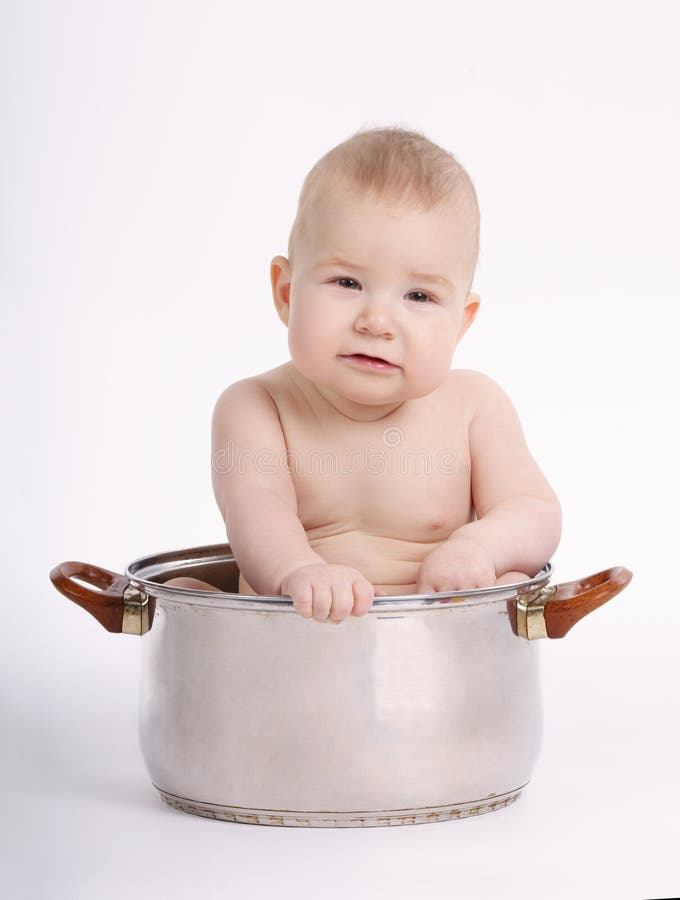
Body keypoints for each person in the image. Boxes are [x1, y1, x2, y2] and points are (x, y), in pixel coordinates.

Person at [167, 126, 562, 624]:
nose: (376, 322)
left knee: (508, 586)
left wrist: (477, 548)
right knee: (185, 598)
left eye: (418, 296)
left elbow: (534, 509)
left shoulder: (475, 406)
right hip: (294, 639)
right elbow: (255, 508)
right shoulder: (257, 406)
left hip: (439, 649)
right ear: (287, 294)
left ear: (461, 323)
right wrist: (298, 570)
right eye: (347, 282)